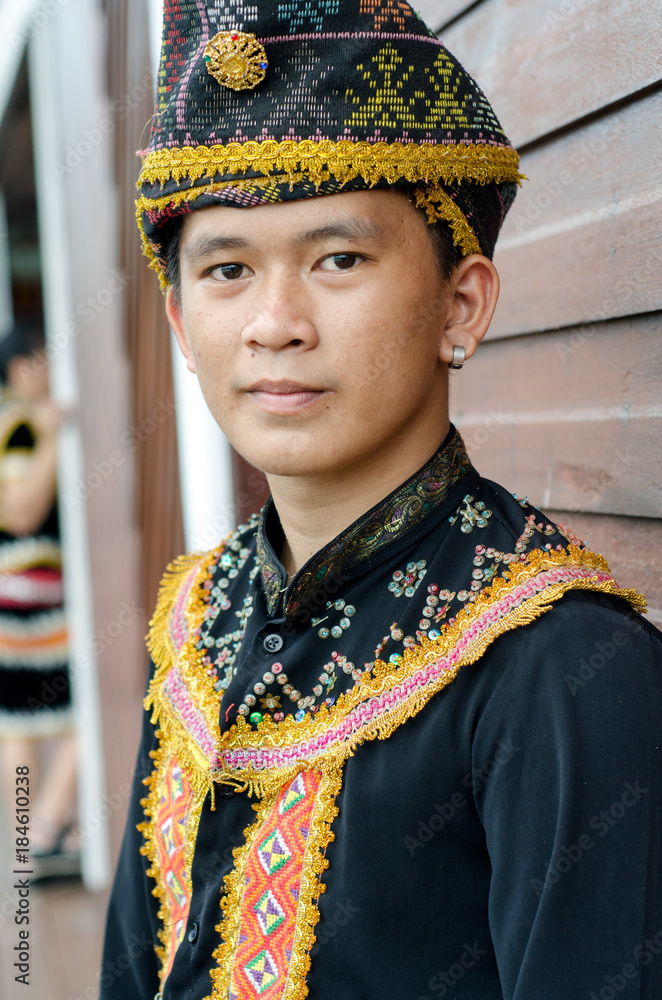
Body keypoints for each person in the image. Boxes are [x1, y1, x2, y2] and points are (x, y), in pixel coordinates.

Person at [102, 3, 662, 998]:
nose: (274, 323)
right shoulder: (196, 620)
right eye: (227, 269)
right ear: (184, 327)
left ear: (460, 302)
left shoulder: (565, 671)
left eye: (337, 259)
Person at [0, 323, 79, 879]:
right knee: (81, 715)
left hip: (17, 599)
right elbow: (22, 513)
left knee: (19, 725)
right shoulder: (24, 427)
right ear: (24, 367)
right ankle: (47, 829)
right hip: (32, 601)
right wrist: (53, 436)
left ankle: (33, 839)